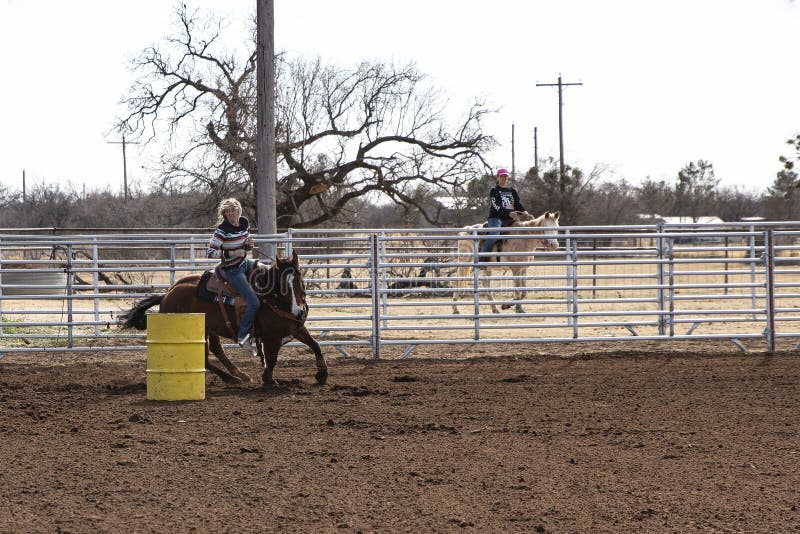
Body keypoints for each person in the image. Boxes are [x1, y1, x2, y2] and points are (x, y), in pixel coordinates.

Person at [207, 198, 260, 348]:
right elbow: (210, 253)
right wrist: (232, 252)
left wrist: (249, 245)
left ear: (239, 210)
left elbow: (245, 244)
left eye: (233, 210)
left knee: (268, 274)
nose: (231, 213)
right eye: (227, 211)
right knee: (254, 302)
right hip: (232, 270)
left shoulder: (244, 222)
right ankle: (242, 335)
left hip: (245, 263)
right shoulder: (221, 230)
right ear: (224, 214)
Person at [479, 168, 530, 258]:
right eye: (502, 176)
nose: (504, 178)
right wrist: (509, 213)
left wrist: (525, 212)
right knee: (494, 235)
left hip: (510, 219)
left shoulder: (512, 191)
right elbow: (496, 206)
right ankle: (482, 259)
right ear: (497, 177)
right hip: (496, 218)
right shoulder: (494, 190)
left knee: (522, 232)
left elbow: (517, 204)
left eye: (505, 176)